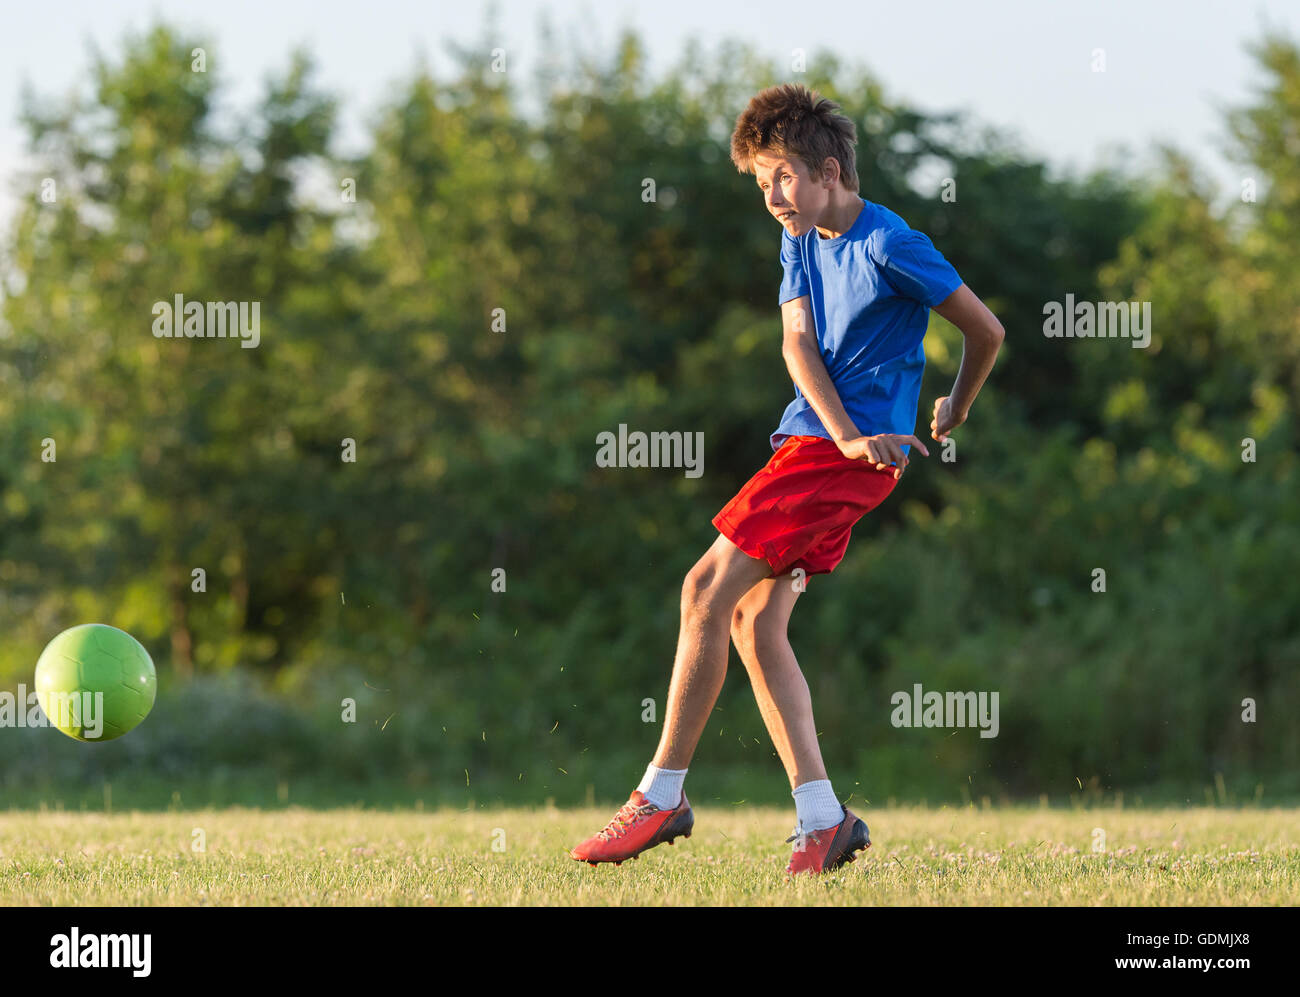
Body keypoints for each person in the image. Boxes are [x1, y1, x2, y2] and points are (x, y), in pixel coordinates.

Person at [570, 82, 1004, 875]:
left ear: (830, 170)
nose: (772, 196)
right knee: (752, 623)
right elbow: (796, 345)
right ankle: (823, 819)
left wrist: (953, 403)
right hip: (817, 445)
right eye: (761, 181)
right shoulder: (799, 237)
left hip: (838, 460)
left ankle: (659, 796)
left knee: (703, 590)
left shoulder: (891, 244)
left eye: (782, 177)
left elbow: (986, 327)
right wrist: (840, 432)